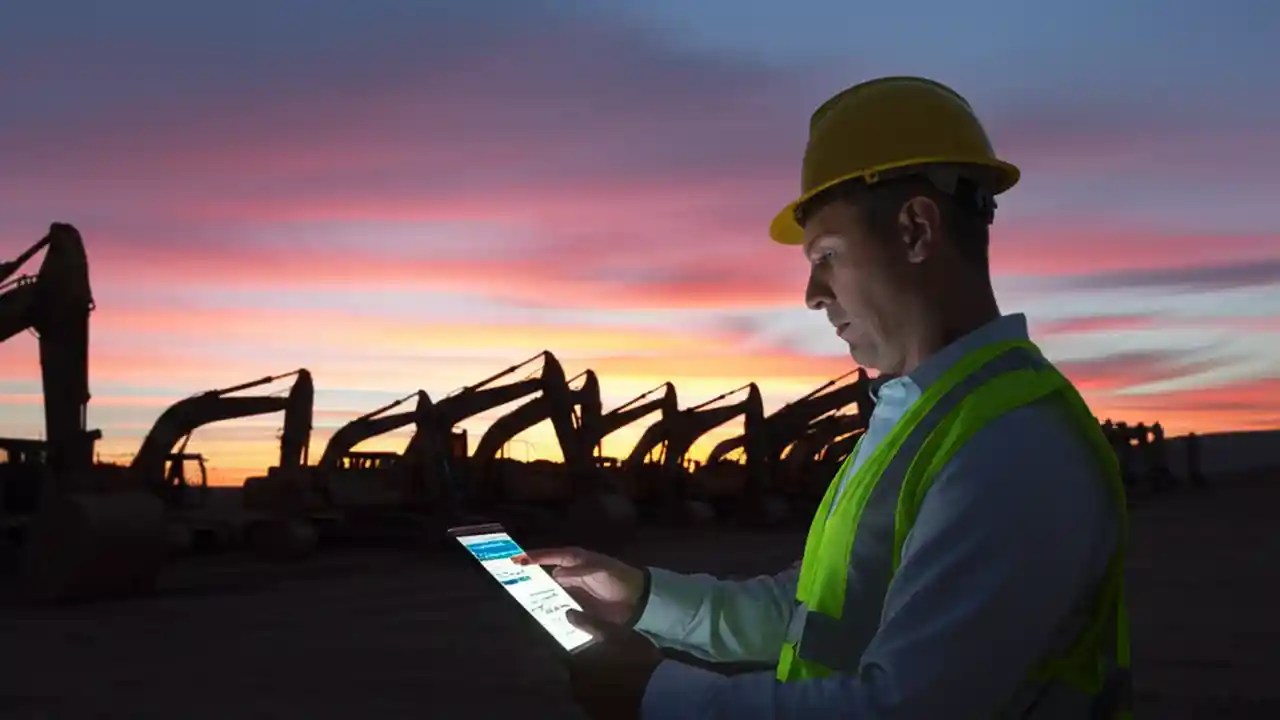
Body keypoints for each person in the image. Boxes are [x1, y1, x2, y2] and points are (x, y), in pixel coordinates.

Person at [519, 76, 1132, 719]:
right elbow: (815, 611)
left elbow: (907, 710)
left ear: (916, 231)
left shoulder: (1011, 448)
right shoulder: (922, 420)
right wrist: (641, 599)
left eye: (828, 254)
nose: (812, 293)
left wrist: (654, 696)